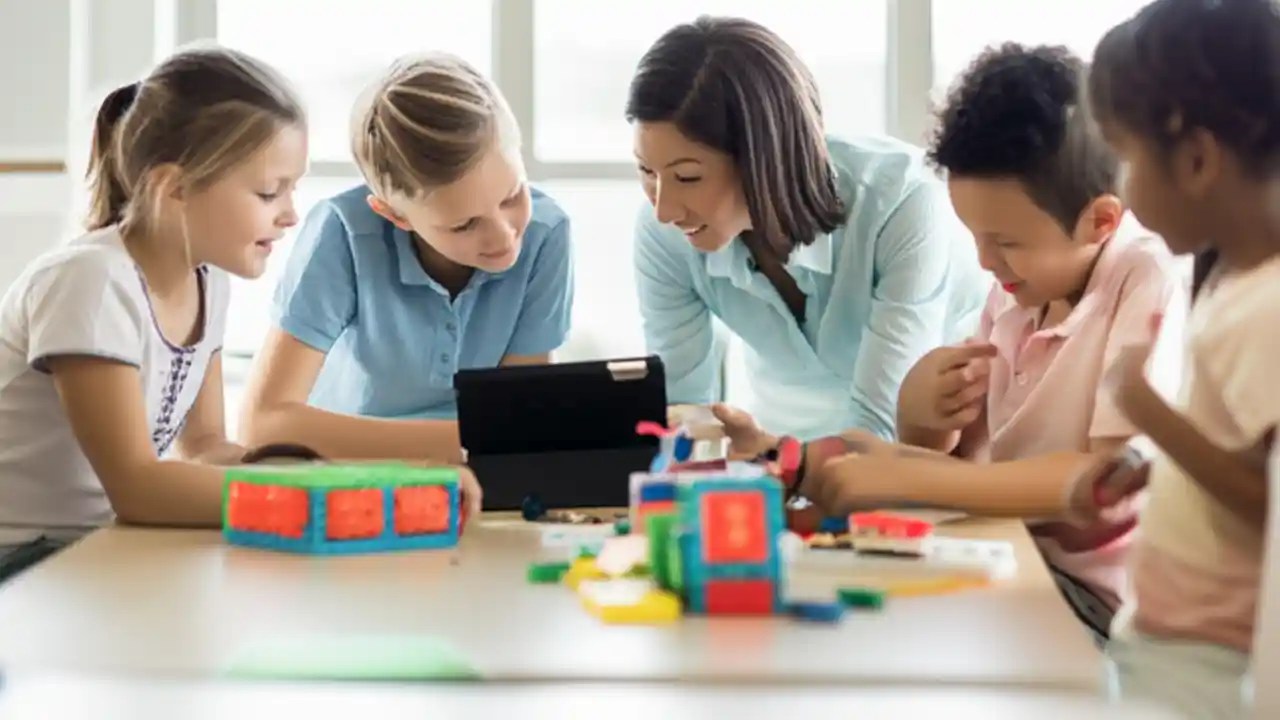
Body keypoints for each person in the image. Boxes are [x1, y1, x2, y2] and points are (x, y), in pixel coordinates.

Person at [715, 43, 1187, 642]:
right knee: (849, 507)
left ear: (1101, 221)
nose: (985, 262)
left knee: (876, 627)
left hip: (1095, 599)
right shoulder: (1017, 293)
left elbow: (1104, 480)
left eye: (1006, 242)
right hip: (1007, 554)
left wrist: (909, 477)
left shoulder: (1143, 278)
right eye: (975, 237)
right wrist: (919, 421)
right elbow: (964, 468)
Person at [0, 45, 310, 581]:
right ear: (175, 188)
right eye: (268, 192)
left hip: (96, 545)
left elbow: (205, 447)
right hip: (22, 556)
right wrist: (302, 501)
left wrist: (333, 480)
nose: (290, 215)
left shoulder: (208, 281)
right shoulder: (92, 282)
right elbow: (138, 486)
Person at [627, 16, 990, 442]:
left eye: (687, 177)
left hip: (943, 444)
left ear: (763, 158)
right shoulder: (663, 235)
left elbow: (882, 423)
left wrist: (779, 459)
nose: (664, 209)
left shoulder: (901, 204)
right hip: (785, 445)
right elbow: (681, 411)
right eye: (646, 171)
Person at [1068, 0, 1280, 714]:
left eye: (1124, 158)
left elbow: (1268, 502)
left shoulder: (1268, 306)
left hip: (1217, 657)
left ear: (1195, 160)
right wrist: (1147, 463)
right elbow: (1237, 444)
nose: (1123, 188)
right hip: (1175, 640)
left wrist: (1145, 409)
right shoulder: (1234, 284)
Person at [240, 53, 574, 464]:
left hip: (478, 473)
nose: (505, 235)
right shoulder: (343, 234)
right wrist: (473, 440)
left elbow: (518, 414)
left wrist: (498, 439)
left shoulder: (545, 233)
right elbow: (263, 425)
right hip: (350, 472)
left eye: (511, 196)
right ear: (395, 215)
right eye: (464, 224)